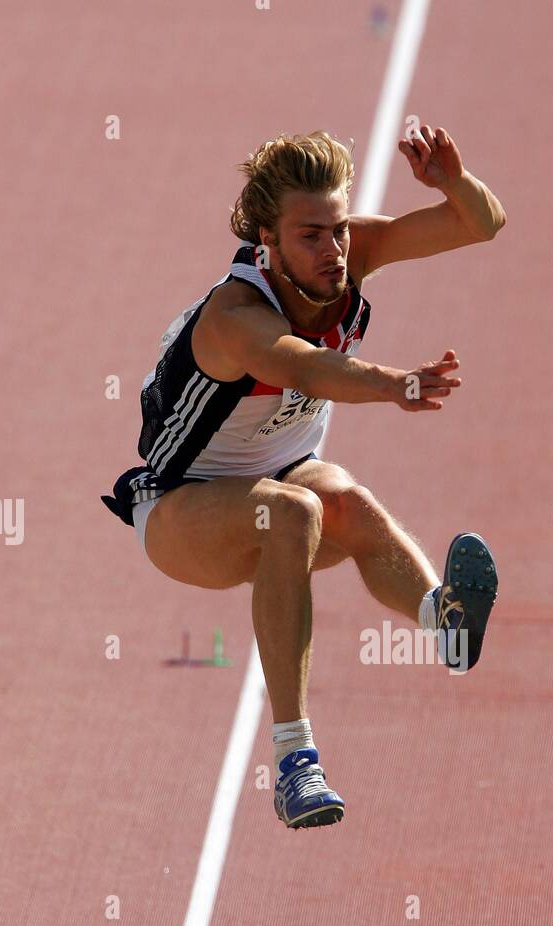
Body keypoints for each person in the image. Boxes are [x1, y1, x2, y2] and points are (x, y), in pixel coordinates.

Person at [102, 126, 505, 828]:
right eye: (311, 235)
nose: (333, 249)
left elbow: (482, 225)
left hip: (284, 471)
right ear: (269, 238)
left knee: (343, 500)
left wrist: (451, 184)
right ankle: (295, 764)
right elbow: (307, 367)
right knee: (291, 514)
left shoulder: (348, 255)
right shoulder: (235, 317)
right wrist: (397, 384)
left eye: (339, 229)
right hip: (179, 510)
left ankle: (446, 624)